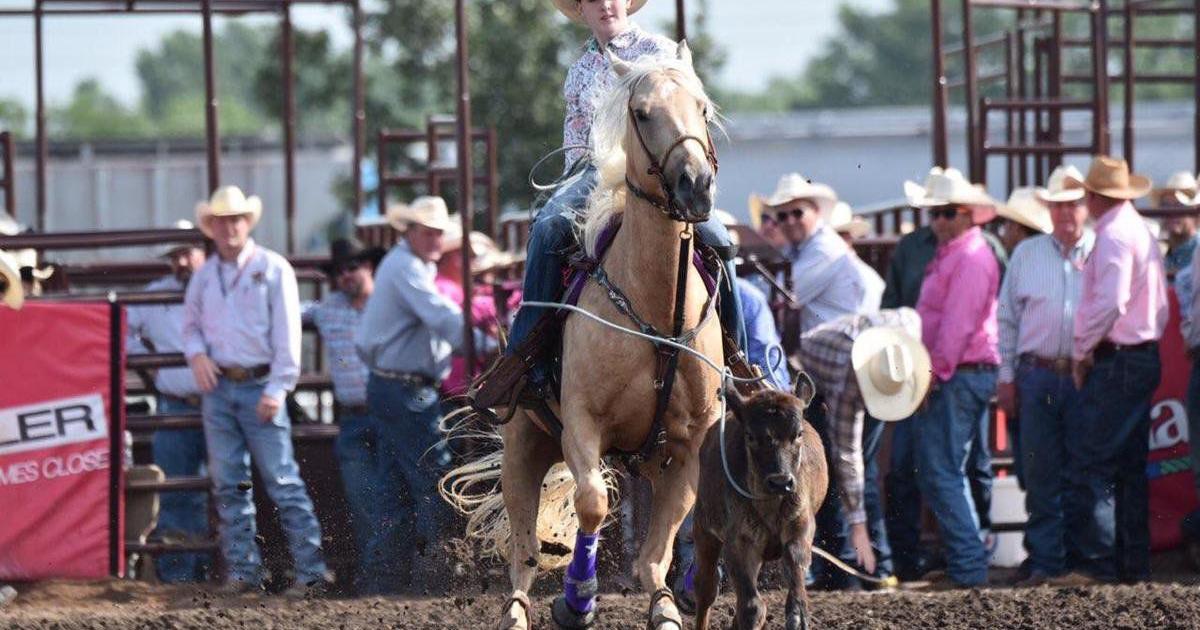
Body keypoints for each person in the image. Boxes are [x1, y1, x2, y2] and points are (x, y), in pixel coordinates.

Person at [478, 0, 745, 405]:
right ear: (581, 10)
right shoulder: (579, 72)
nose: (605, 4)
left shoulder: (663, 54)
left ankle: (738, 356)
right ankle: (525, 350)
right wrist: (576, 184)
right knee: (549, 225)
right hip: (594, 172)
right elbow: (576, 143)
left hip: (658, 168)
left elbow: (692, 118)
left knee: (719, 237)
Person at [181, 186, 329, 596]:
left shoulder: (272, 268)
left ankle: (310, 572)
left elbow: (288, 334)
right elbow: (190, 327)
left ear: (247, 223)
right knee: (230, 482)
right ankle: (246, 572)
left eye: (236, 219)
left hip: (260, 385)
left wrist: (279, 386)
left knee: (281, 480)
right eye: (223, 220)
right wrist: (197, 355)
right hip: (222, 387)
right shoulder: (205, 276)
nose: (230, 227)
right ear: (212, 228)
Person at [355, 196, 488, 591]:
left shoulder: (405, 265)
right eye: (427, 232)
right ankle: (440, 574)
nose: (434, 239)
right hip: (405, 389)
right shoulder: (406, 268)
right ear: (409, 232)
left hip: (393, 385)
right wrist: (490, 344)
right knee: (435, 475)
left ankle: (383, 580)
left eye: (437, 233)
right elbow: (442, 318)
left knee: (393, 485)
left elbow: (439, 320)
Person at [881, 167, 1007, 582]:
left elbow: (957, 325)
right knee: (944, 470)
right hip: (958, 371)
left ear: (968, 214)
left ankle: (969, 564)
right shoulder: (959, 253)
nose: (939, 220)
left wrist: (934, 372)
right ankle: (967, 561)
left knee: (942, 471)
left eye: (948, 212)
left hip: (957, 373)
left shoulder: (969, 257)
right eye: (935, 212)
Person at [1067, 156, 1168, 584]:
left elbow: (1110, 302)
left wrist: (1081, 349)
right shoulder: (1135, 230)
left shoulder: (1112, 236)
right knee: (1128, 467)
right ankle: (1131, 566)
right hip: (1140, 355)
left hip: (1119, 358)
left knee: (1094, 462)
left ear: (1093, 196)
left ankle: (1099, 564)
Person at [995, 165, 1094, 585]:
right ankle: (1048, 561)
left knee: (1080, 470)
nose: (1066, 212)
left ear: (1086, 207)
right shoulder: (1026, 254)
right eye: (1059, 205)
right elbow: (1007, 319)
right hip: (1037, 372)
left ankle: (1072, 559)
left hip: (1084, 372)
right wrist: (1007, 376)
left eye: (1073, 204)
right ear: (1049, 209)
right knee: (1040, 471)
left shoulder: (1101, 250)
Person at [799, 308, 929, 590]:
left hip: (862, 371)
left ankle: (874, 566)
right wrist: (858, 526)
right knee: (834, 474)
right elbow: (847, 456)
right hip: (825, 383)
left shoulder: (905, 330)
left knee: (864, 475)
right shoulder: (847, 384)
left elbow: (907, 316)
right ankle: (850, 566)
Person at [126, 220, 211, 583]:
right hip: (178, 402)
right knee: (179, 494)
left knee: (225, 489)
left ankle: (217, 571)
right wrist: (151, 369)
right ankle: (184, 578)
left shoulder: (220, 288)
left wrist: (151, 368)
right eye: (175, 256)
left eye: (187, 253)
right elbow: (122, 328)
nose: (181, 261)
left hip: (216, 403)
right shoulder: (156, 294)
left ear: (202, 253)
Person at [304, 237, 382, 595]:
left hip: (388, 413)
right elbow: (288, 312)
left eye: (352, 267)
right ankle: (375, 579)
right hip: (354, 416)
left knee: (392, 496)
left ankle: (391, 576)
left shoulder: (388, 303)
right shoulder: (328, 308)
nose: (346, 276)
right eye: (339, 272)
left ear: (368, 267)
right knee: (363, 499)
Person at [754, 174, 880, 337]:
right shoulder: (800, 247)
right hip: (831, 335)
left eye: (797, 213)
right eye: (782, 216)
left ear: (816, 211)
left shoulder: (823, 249)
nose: (790, 221)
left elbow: (777, 294)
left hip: (843, 340)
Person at [1155, 171, 1200, 279]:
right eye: (1166, 205)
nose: (1172, 212)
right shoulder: (1162, 251)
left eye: (1179, 205)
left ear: (1195, 212)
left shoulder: (1198, 250)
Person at [996, 187, 1052, 255]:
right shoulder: (1045, 254)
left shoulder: (1022, 260)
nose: (1003, 229)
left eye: (1005, 222)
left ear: (1016, 228)